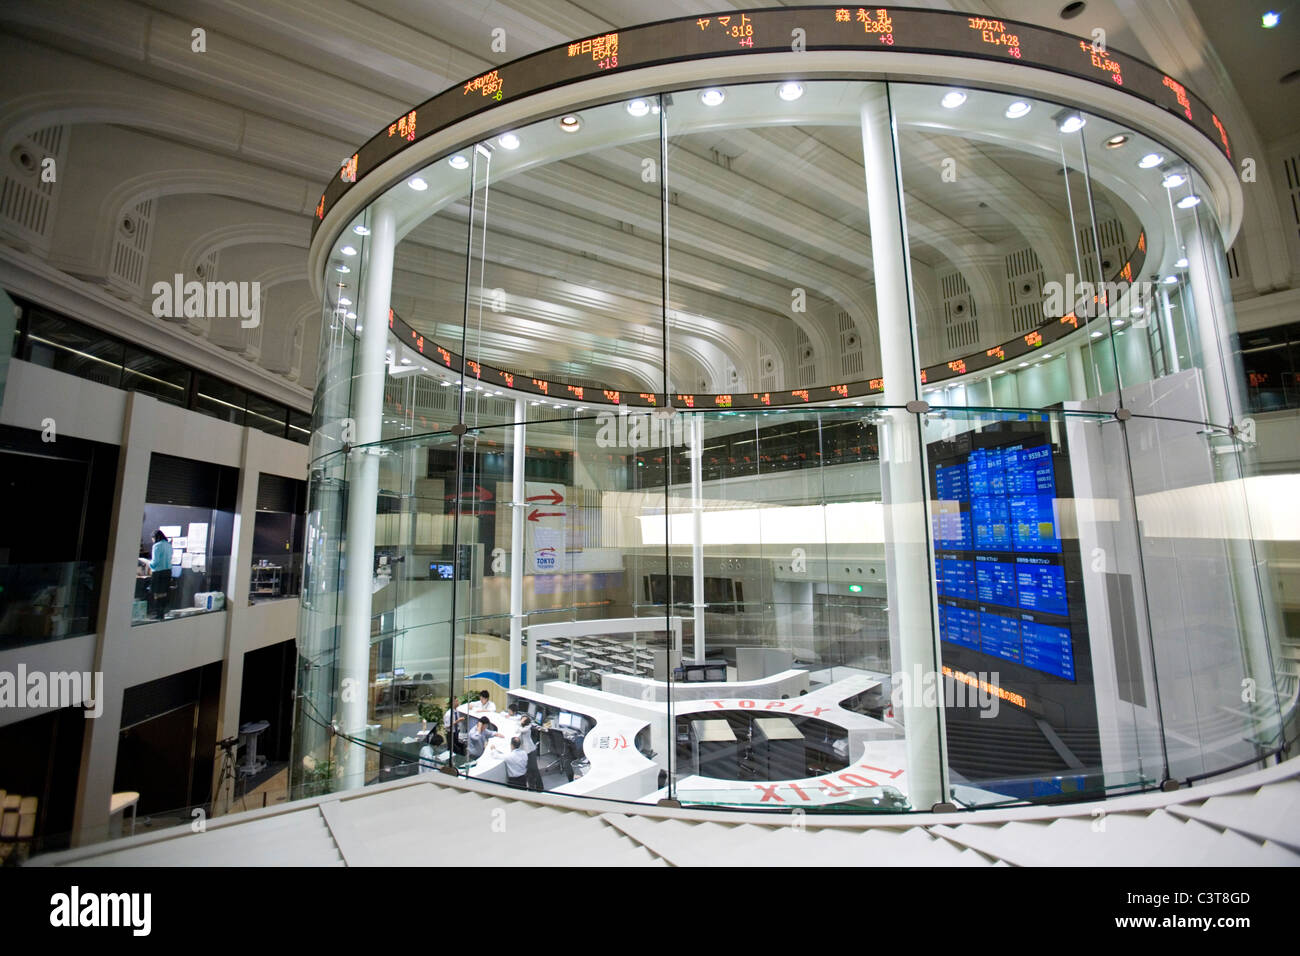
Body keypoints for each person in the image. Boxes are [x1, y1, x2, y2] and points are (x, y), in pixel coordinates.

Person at [148, 530, 173, 620]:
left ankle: (158, 613)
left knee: (157, 593)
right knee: (164, 593)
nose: (152, 540)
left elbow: (155, 562)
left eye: (153, 538)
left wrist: (148, 563)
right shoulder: (169, 545)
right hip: (168, 572)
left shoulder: (156, 546)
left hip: (158, 572)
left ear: (155, 537)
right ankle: (162, 613)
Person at [518, 713, 543, 791]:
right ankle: (532, 787)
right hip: (526, 751)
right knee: (529, 771)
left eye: (523, 720)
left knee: (534, 770)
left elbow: (520, 729)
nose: (521, 720)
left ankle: (540, 787)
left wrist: (520, 722)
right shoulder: (523, 726)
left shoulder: (527, 727)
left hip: (530, 751)